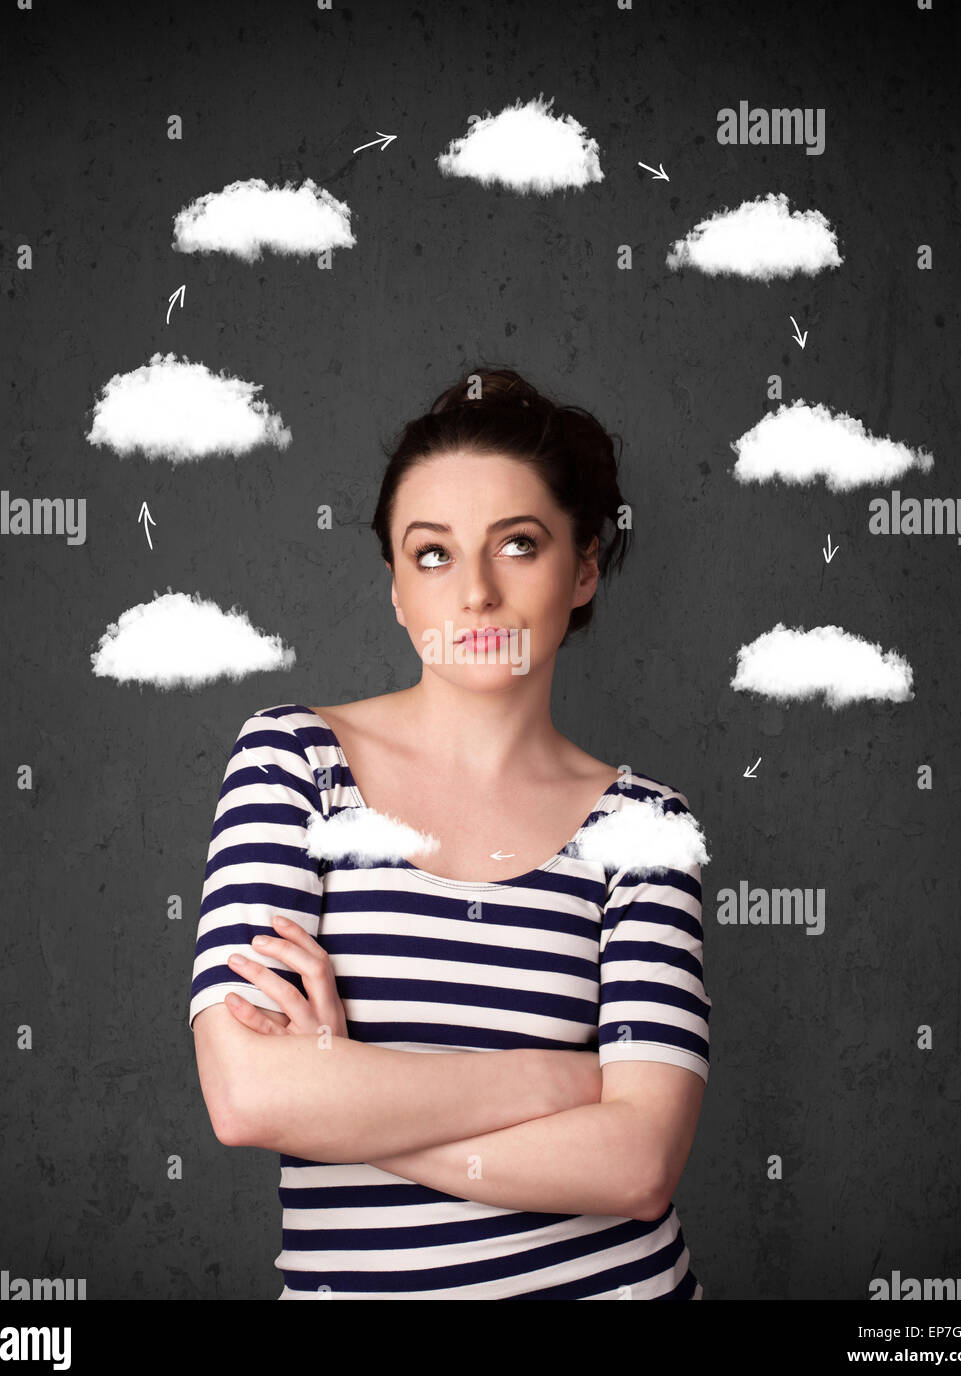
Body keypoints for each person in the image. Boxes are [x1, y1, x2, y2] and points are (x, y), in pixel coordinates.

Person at [189, 366, 711, 1299]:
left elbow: (636, 1165)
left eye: (518, 543)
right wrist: (557, 1082)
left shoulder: (648, 826)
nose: (474, 591)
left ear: (585, 566)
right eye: (431, 552)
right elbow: (250, 1097)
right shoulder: (293, 761)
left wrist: (347, 1096)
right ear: (395, 584)